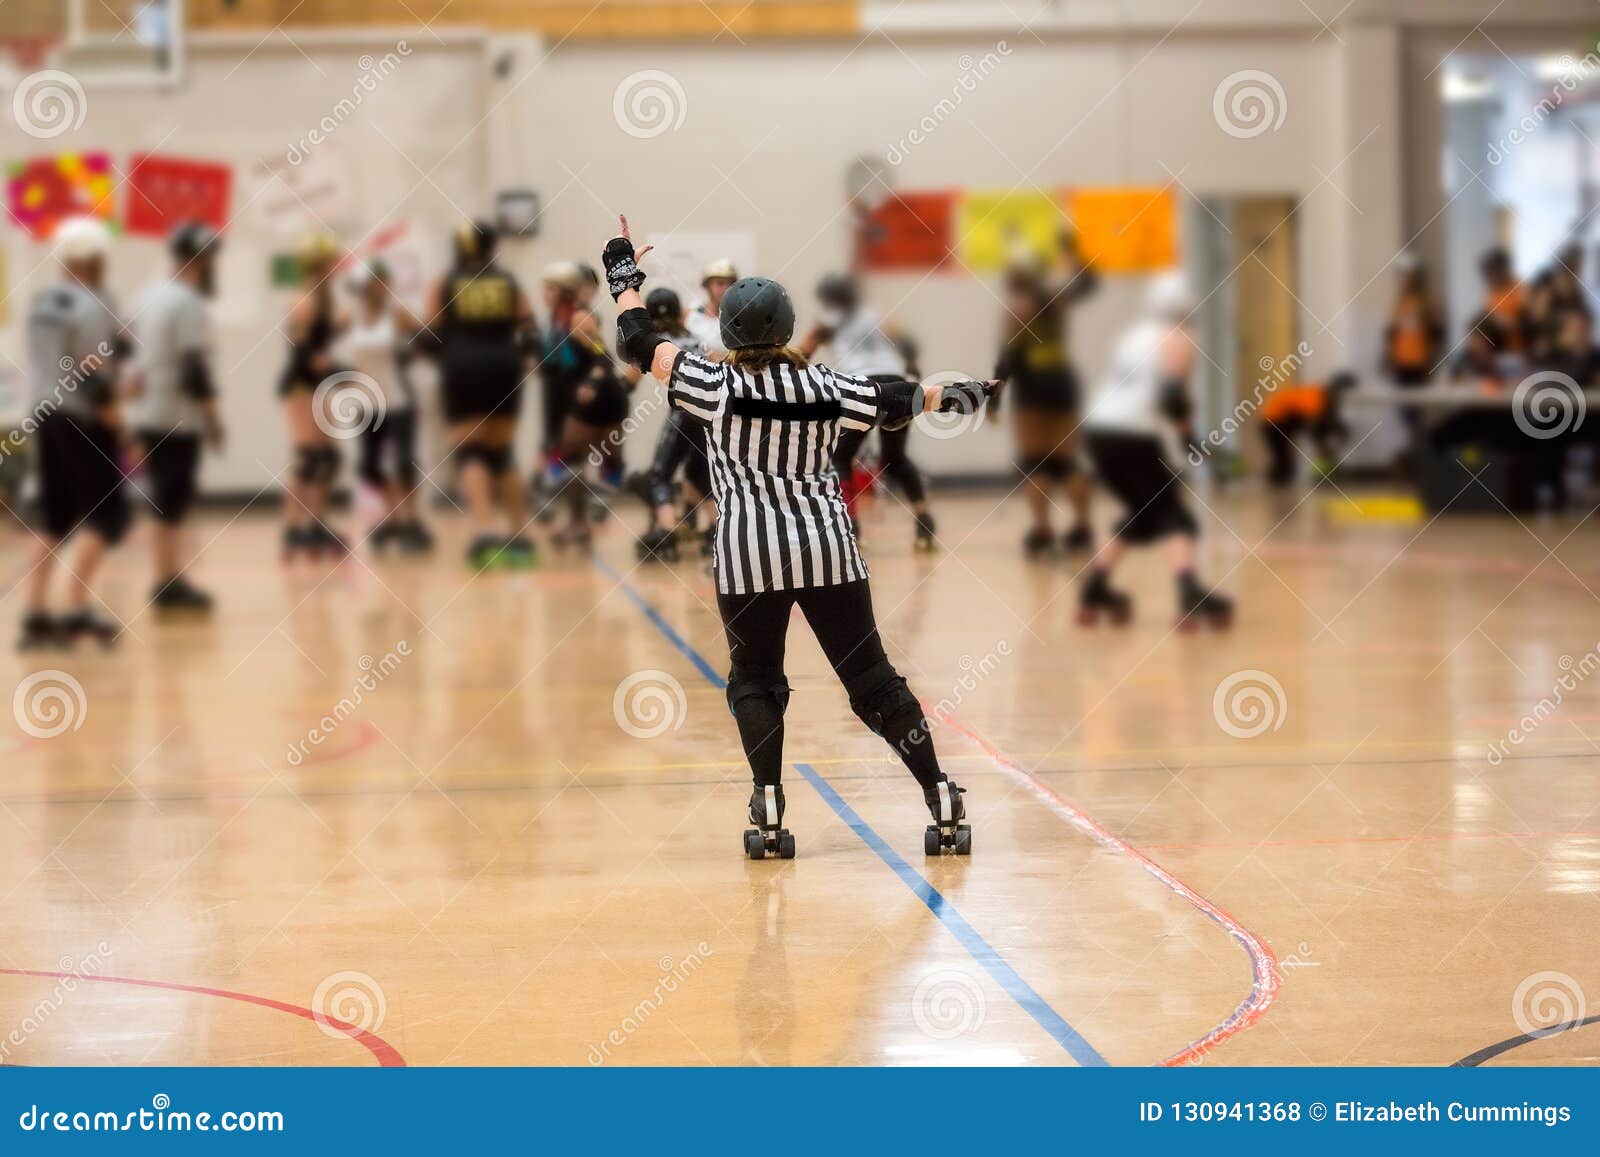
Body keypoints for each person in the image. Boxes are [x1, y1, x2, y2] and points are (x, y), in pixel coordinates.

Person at [600, 216, 997, 858]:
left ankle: (770, 801)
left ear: (727, 328)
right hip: (827, 546)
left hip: (746, 553)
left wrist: (623, 272)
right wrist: (964, 394)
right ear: (787, 327)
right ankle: (941, 795)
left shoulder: (710, 385)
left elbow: (639, 343)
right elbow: (899, 397)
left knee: (755, 679)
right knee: (872, 681)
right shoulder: (827, 388)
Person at [1079, 273, 1231, 630]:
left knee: (1142, 514)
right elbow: (1172, 396)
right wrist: (1188, 436)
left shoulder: (1133, 336)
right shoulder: (1180, 336)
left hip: (1098, 433)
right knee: (1177, 517)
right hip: (1131, 434)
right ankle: (1190, 593)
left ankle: (1094, 590)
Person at [17, 217, 130, 649]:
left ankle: (35, 614)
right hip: (83, 417)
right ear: (93, 258)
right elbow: (91, 370)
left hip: (45, 415)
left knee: (55, 514)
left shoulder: (44, 301)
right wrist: (117, 419)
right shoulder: (93, 302)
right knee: (107, 513)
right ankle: (76, 608)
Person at [419, 220, 538, 570]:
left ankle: (485, 532)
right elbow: (530, 330)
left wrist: (446, 355)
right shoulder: (507, 281)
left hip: (462, 368)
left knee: (471, 451)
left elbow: (430, 334)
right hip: (504, 366)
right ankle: (520, 534)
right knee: (502, 454)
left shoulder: (446, 282)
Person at [127, 221, 227, 611]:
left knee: (162, 498)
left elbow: (124, 351)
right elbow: (193, 370)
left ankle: (166, 576)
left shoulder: (148, 294)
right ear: (201, 261)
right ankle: (168, 580)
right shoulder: (186, 301)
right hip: (177, 415)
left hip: (149, 412)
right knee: (173, 500)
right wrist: (214, 420)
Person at [800, 273, 935, 550]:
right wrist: (910, 365)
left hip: (862, 387)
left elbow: (802, 354)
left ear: (828, 299)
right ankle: (924, 521)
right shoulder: (873, 315)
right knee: (895, 459)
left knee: (840, 458)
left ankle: (852, 527)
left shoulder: (828, 320)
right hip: (897, 383)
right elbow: (908, 343)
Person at [993, 238, 1097, 558]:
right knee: (1067, 463)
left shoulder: (1018, 307)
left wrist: (994, 399)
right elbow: (1089, 282)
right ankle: (1081, 527)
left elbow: (1008, 357)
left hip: (1032, 387)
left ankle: (1043, 530)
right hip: (1063, 382)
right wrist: (1072, 252)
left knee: (1035, 463)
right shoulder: (1055, 298)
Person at [343, 259, 431, 554]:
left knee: (405, 461)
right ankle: (394, 517)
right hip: (367, 402)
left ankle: (411, 519)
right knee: (368, 467)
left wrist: (408, 352)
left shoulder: (397, 315)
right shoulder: (350, 316)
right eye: (373, 283)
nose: (378, 288)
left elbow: (428, 341)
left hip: (398, 399)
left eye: (382, 282)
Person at [277, 232, 349, 561]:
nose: (334, 267)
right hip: (300, 384)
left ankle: (316, 523)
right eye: (329, 263)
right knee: (308, 458)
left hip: (316, 382)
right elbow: (304, 353)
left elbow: (319, 344)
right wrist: (337, 364)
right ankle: (292, 528)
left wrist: (337, 329)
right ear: (318, 265)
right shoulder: (305, 299)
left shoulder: (323, 296)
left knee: (329, 460)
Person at [626, 286, 710, 562]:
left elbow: (630, 379)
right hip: (706, 414)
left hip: (682, 413)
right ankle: (713, 531)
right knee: (702, 476)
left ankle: (665, 532)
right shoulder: (696, 340)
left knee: (660, 476)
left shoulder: (655, 342)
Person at [1258, 372, 1357, 489]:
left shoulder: (1326, 400)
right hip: (1273, 423)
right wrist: (1322, 448)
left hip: (1282, 422)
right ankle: (1276, 486)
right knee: (1283, 459)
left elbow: (1326, 422)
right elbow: (1313, 426)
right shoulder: (1317, 397)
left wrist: (1341, 432)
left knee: (1285, 460)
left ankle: (1280, 483)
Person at [1382, 255, 1444, 386]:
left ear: (1417, 277)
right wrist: (1388, 360)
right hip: (1401, 364)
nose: (1406, 279)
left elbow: (1437, 335)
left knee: (1418, 403)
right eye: (1403, 276)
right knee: (1404, 404)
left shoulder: (1427, 302)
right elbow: (1391, 333)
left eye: (1409, 275)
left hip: (1421, 363)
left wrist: (1432, 361)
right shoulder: (1399, 302)